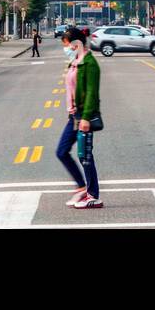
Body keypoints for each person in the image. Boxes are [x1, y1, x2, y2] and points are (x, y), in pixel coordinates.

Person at [55, 26, 101, 209]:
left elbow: (91, 92)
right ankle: (82, 187)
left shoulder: (89, 63)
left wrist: (86, 118)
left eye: (68, 46)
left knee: (85, 156)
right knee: (62, 151)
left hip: (83, 116)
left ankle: (93, 195)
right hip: (74, 116)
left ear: (77, 44)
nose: (66, 50)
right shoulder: (76, 61)